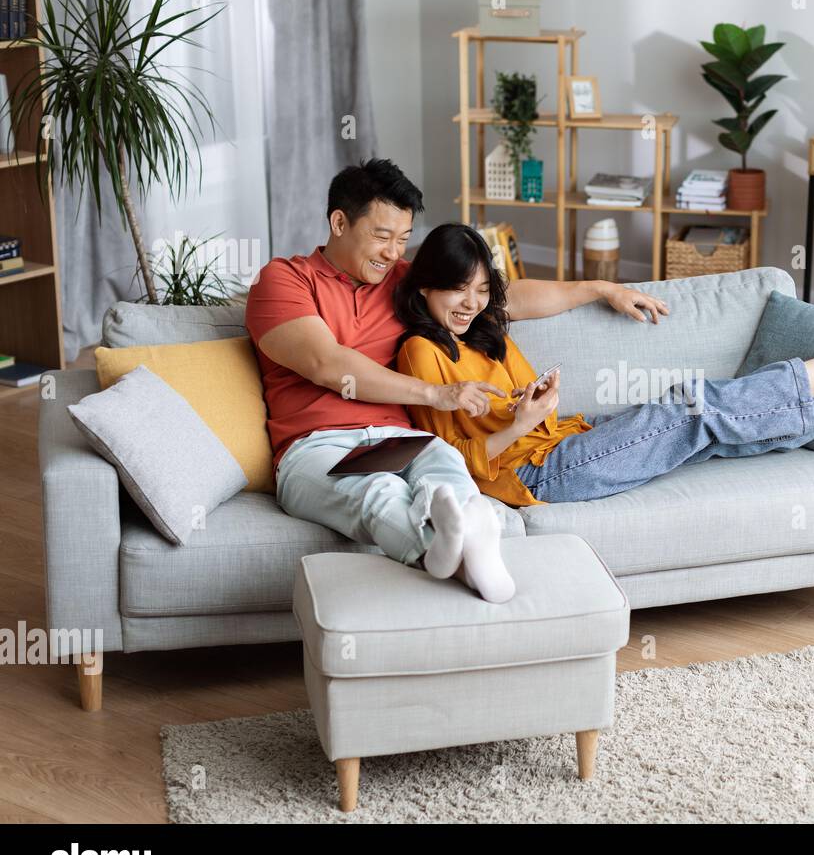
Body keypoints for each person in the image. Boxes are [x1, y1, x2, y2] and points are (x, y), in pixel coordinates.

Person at [244, 160, 668, 602]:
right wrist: (435, 393)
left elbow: (499, 297)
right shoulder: (283, 280)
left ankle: (469, 535)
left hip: (395, 436)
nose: (393, 253)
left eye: (403, 239)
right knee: (379, 490)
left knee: (441, 465)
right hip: (315, 447)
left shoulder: (401, 281)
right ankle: (448, 552)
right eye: (382, 236)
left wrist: (601, 288)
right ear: (338, 222)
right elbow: (325, 363)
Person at [394, 223, 814, 507]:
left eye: (482, 291)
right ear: (425, 285)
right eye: (457, 290)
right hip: (538, 473)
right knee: (691, 406)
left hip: (565, 436)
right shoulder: (421, 353)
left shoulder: (482, 324)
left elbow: (536, 295)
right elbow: (452, 462)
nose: (471, 304)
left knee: (714, 434)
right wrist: (520, 423)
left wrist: (602, 289)